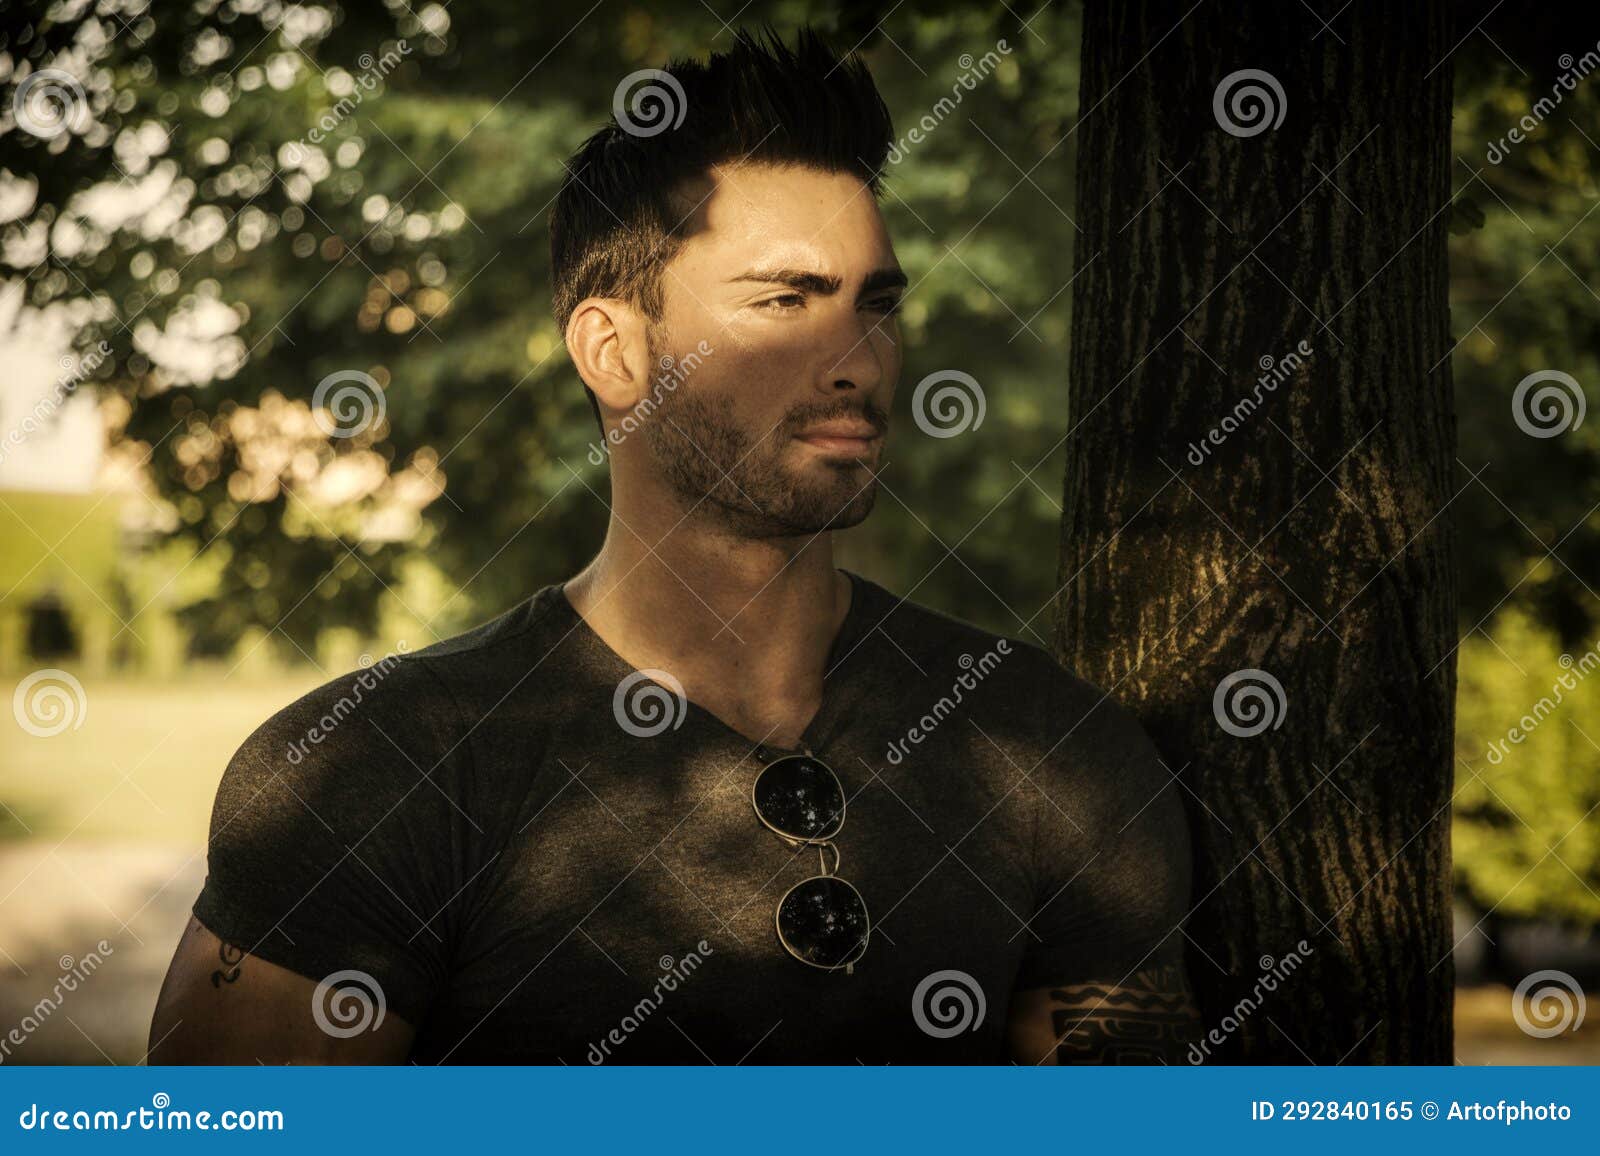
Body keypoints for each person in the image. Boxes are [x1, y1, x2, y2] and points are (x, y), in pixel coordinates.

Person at [149, 27, 1198, 1065]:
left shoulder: (1050, 748)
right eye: (782, 300)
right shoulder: (379, 768)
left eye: (873, 306)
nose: (856, 361)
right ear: (614, 350)